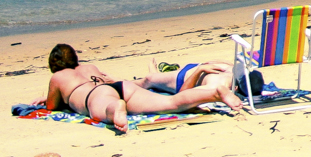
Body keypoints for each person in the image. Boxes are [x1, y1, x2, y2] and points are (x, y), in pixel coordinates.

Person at [42, 44, 243, 133]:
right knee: (170, 102)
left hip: (96, 96)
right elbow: (110, 80)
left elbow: (52, 106)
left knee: (104, 108)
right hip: (121, 86)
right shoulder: (89, 67)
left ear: (54, 64)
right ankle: (214, 94)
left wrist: (44, 100)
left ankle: (115, 109)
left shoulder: (58, 77)